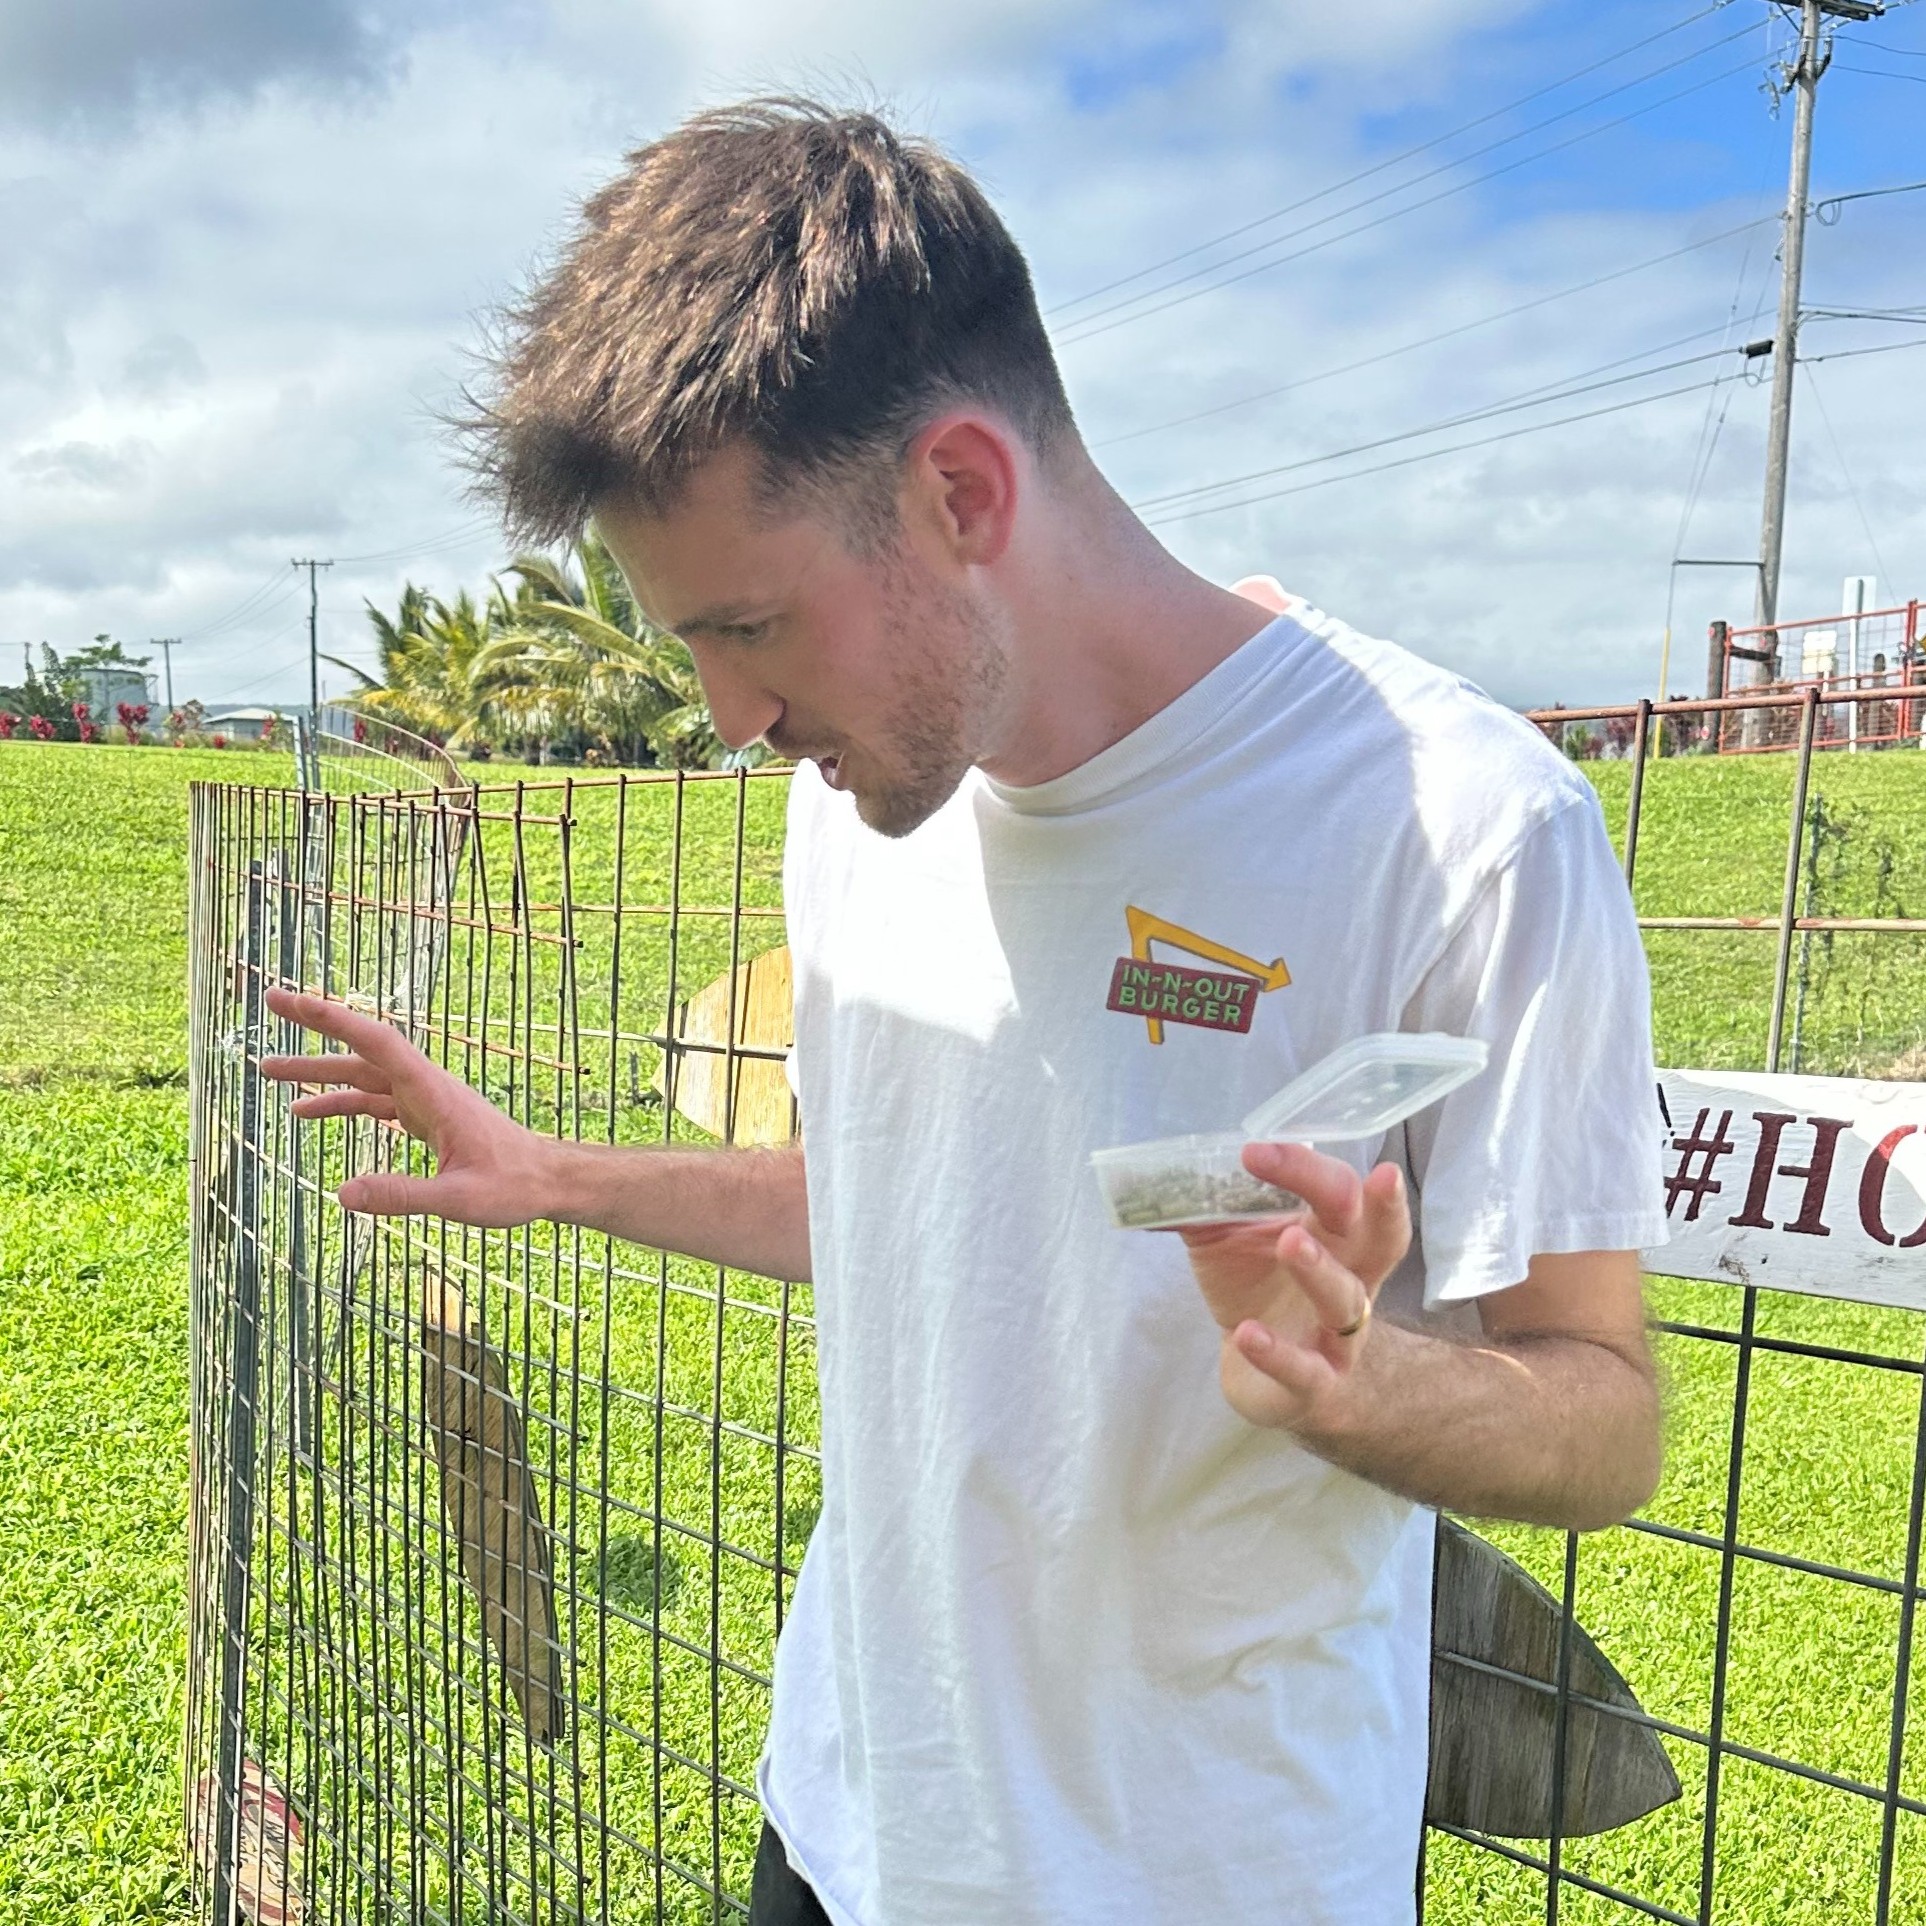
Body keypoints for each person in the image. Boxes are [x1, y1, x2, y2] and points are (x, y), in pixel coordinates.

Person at [263, 100, 1666, 1926]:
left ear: (960, 494)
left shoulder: (1466, 828)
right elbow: (915, 1201)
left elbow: (1603, 1412)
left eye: (749, 628)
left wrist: (1360, 1379)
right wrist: (556, 1176)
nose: (730, 719)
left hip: (1197, 1878)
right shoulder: (856, 798)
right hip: (845, 1819)